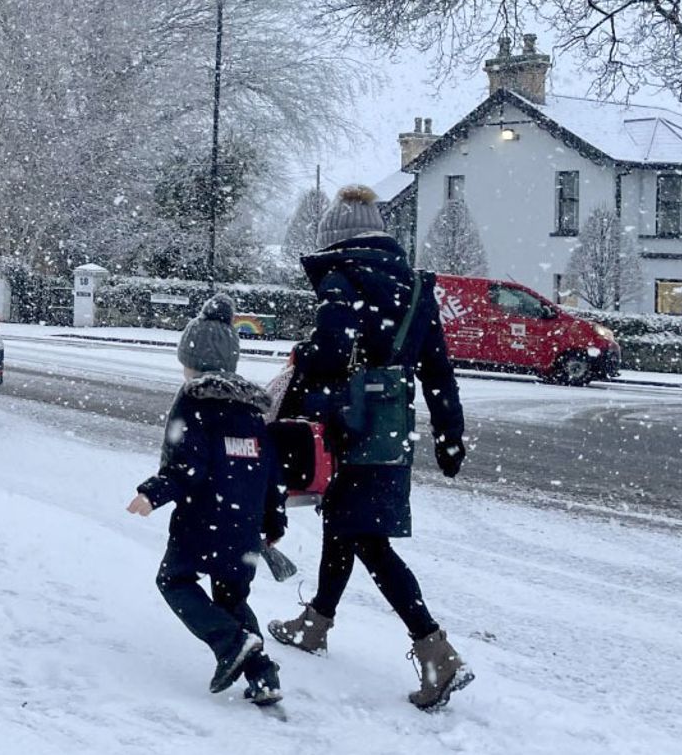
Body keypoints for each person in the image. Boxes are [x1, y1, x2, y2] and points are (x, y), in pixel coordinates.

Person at [266, 184, 475, 711]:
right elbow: (440, 374)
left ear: (336, 240)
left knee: (367, 541)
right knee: (346, 525)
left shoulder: (343, 278)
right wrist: (450, 437)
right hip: (391, 426)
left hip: (348, 424)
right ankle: (315, 623)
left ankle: (435, 649)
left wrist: (306, 356)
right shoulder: (417, 286)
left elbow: (332, 352)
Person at [128, 294, 289, 705]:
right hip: (245, 526)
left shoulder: (194, 400)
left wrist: (152, 492)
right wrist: (273, 522)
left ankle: (231, 644)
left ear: (193, 361)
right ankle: (262, 673)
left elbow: (187, 467)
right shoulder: (252, 410)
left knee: (174, 581)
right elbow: (271, 471)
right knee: (232, 598)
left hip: (203, 522)